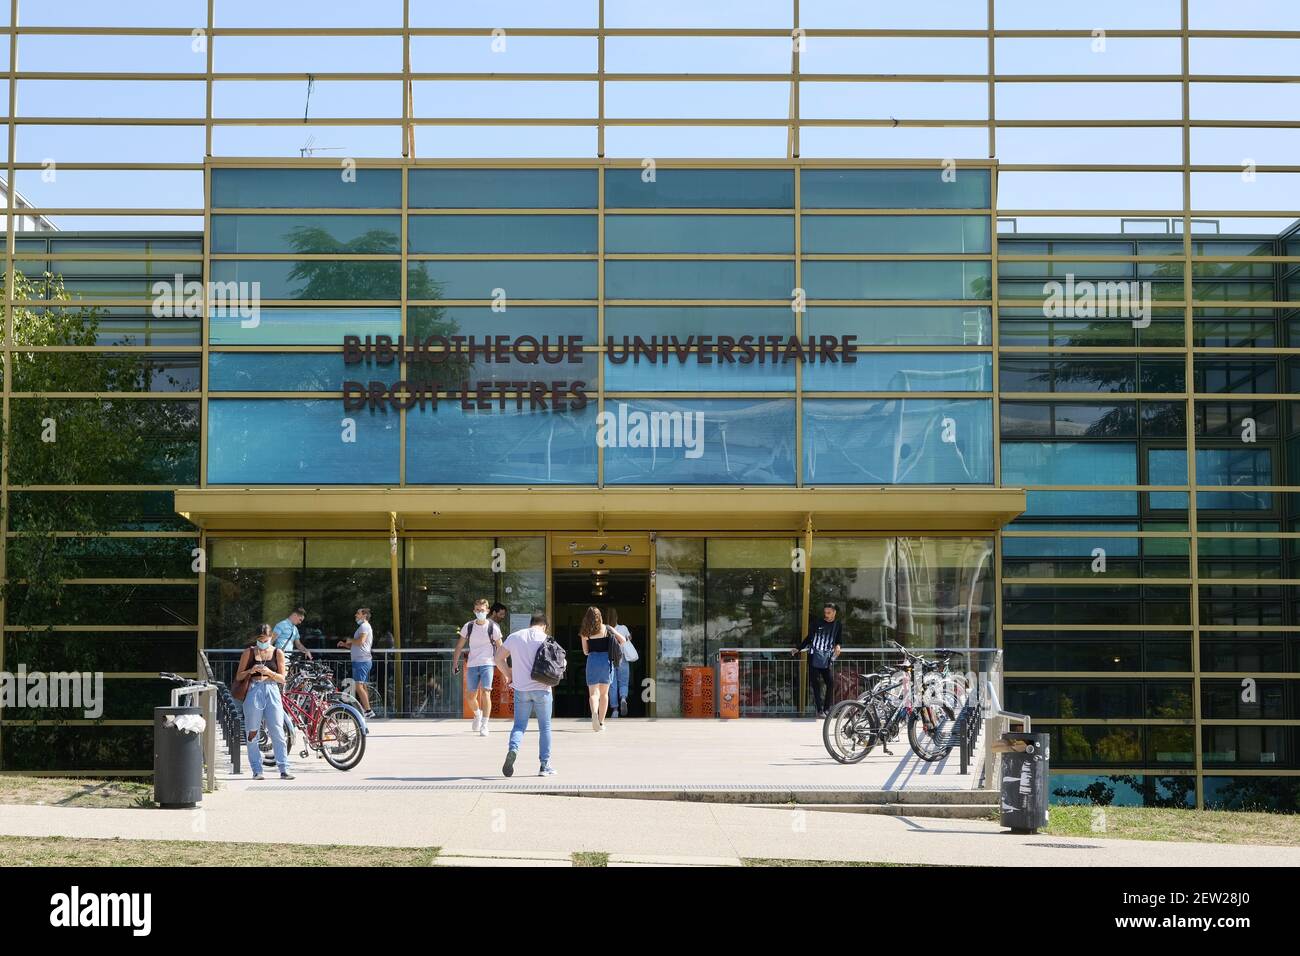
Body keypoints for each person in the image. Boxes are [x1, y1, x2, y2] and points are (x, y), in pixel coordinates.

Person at [495, 611, 556, 777]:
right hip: (542, 689)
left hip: (521, 689)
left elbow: (498, 658)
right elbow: (560, 662)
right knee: (545, 727)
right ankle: (544, 765)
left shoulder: (515, 637)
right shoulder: (546, 638)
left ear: (531, 623)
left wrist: (509, 674)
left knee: (519, 726)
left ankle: (513, 750)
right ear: (544, 625)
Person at [238, 624, 294, 781]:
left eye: (266, 639)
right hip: (254, 689)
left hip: (271, 689)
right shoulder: (248, 652)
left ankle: (284, 768)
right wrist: (251, 670)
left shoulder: (277, 653)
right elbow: (239, 676)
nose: (263, 642)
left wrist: (270, 672)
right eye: (260, 639)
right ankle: (257, 770)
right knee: (252, 731)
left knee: (277, 730)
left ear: (271, 638)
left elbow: (283, 678)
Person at [452, 597, 503, 737]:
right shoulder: (468, 626)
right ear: (474, 610)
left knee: (486, 692)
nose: (480, 612)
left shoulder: (493, 627)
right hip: (473, 664)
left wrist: (505, 668)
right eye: (478, 610)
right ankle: (477, 714)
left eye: (483, 610)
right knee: (470, 697)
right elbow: (459, 646)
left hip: (488, 663)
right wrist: (455, 664)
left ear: (487, 610)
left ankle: (485, 725)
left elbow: (501, 648)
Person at [792, 602, 843, 718]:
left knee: (830, 682)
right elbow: (808, 638)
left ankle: (826, 708)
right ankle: (820, 710)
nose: (826, 615)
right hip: (814, 656)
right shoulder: (817, 623)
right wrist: (798, 648)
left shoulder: (838, 624)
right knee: (816, 684)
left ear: (834, 613)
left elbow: (839, 638)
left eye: (829, 613)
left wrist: (838, 645)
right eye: (825, 612)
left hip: (827, 657)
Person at [579, 606, 625, 733]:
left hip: (592, 662)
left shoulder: (585, 631)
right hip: (606, 662)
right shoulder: (607, 628)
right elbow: (623, 640)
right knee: (604, 694)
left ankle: (594, 713)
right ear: (600, 616)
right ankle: (601, 722)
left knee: (593, 694)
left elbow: (585, 651)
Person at [337, 607, 376, 719]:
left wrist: (350, 640)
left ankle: (368, 710)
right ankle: (367, 709)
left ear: (364, 615)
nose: (356, 615)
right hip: (361, 660)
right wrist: (346, 645)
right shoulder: (363, 626)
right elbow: (358, 644)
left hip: (362, 661)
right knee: (362, 685)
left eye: (358, 613)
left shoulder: (364, 626)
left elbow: (360, 641)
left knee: (358, 686)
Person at [604, 607, 631, 719]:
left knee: (612, 685)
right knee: (623, 682)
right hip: (622, 659)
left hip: (609, 659)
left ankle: (615, 709)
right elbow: (629, 639)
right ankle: (623, 698)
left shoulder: (605, 629)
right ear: (617, 617)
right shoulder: (623, 628)